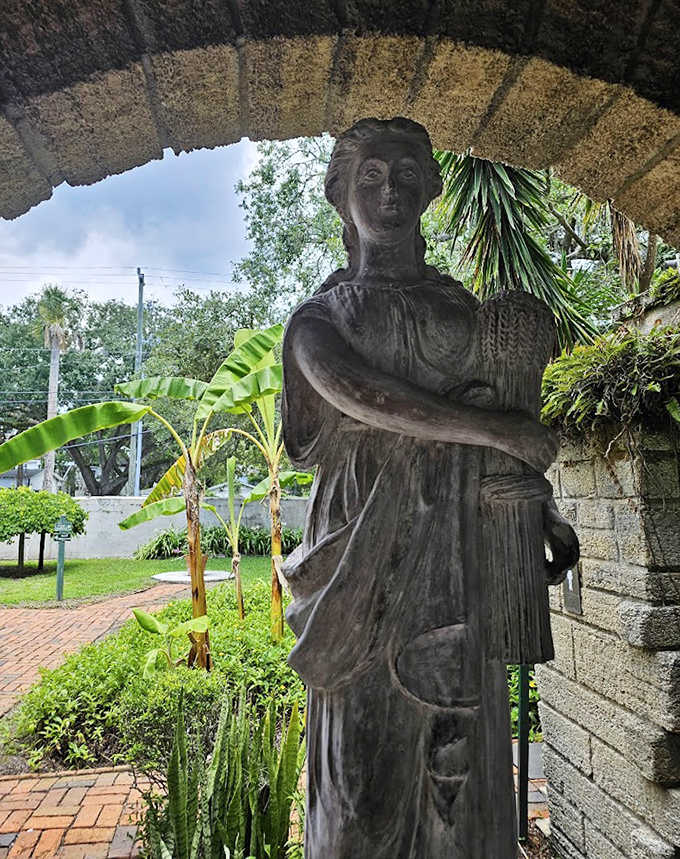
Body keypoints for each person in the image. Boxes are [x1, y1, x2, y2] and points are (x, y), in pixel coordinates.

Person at [281, 117, 564, 858]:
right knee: (356, 804)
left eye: (406, 176)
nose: (389, 194)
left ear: (430, 190)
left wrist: (539, 509)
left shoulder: (462, 314)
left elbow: (510, 411)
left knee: (460, 794)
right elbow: (361, 394)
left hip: (458, 557)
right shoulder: (321, 318)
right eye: (369, 178)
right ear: (341, 195)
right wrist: (498, 435)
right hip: (358, 565)